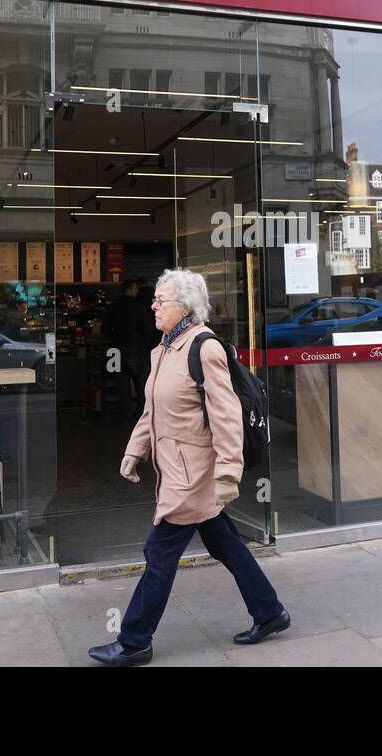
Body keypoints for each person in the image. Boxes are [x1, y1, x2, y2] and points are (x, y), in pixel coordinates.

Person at [88, 269, 289, 666]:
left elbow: (228, 415)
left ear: (184, 306)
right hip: (174, 469)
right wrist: (135, 451)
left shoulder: (204, 348)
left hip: (193, 475)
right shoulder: (162, 349)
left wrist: (229, 473)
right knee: (225, 544)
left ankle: (134, 641)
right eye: (155, 299)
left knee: (158, 553)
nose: (153, 305)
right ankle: (269, 612)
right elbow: (153, 410)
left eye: (160, 300)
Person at [104, 278, 151, 416]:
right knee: (140, 381)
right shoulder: (138, 306)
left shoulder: (112, 307)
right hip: (136, 349)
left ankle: (126, 412)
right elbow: (147, 329)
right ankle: (141, 411)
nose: (137, 291)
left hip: (116, 350)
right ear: (129, 289)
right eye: (135, 288)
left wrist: (113, 338)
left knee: (121, 383)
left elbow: (104, 330)